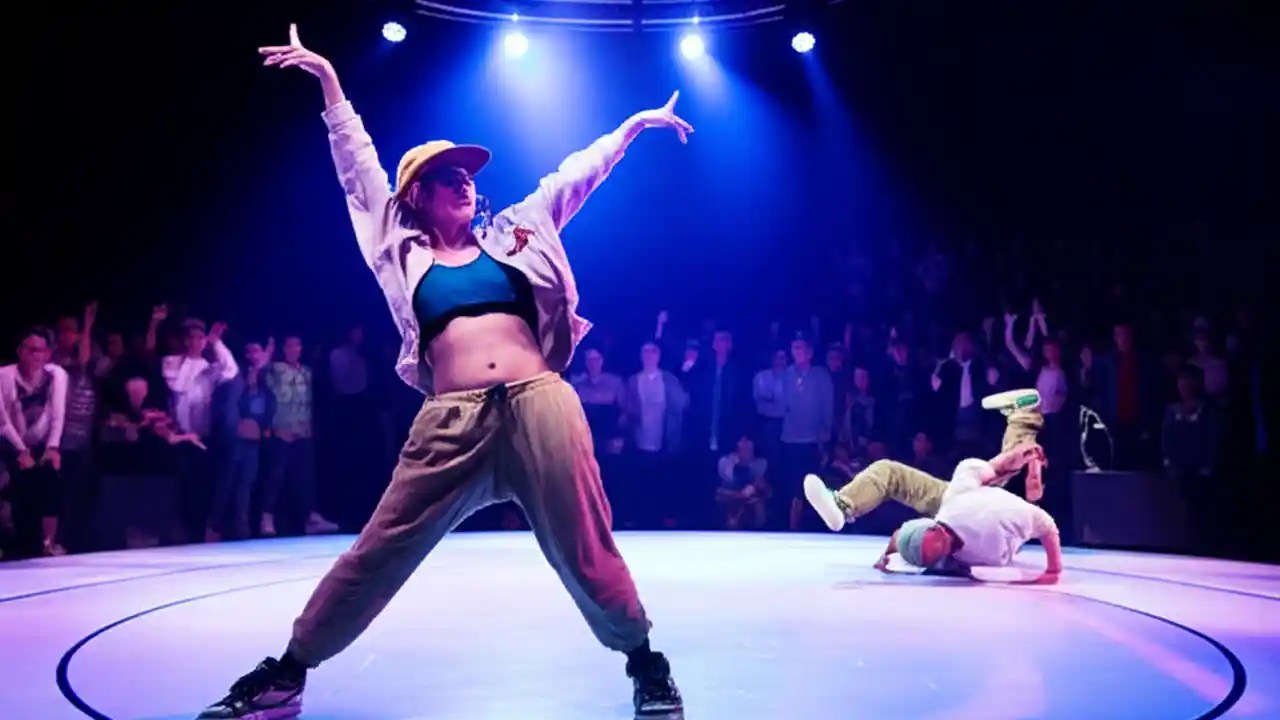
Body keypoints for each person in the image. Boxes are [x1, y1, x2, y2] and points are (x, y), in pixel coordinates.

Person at [199, 25, 692, 719]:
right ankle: (287, 673)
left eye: (467, 176)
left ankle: (646, 665)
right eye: (446, 178)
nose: (465, 183)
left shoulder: (518, 231)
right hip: (450, 422)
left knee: (585, 543)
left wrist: (633, 127)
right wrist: (330, 82)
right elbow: (357, 168)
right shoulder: (400, 249)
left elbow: (575, 175)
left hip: (540, 405)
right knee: (381, 548)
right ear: (414, 198)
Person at [804, 389, 1061, 581]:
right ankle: (1023, 417)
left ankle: (844, 505)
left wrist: (886, 558)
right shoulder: (977, 527)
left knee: (891, 473)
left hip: (961, 517)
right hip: (965, 519)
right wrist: (1053, 571)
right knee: (997, 470)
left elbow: (902, 536)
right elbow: (1001, 472)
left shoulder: (966, 520)